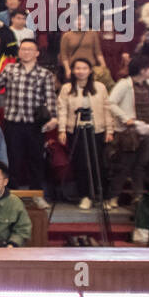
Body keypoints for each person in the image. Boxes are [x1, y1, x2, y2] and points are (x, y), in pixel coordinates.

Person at [0, 39, 57, 209]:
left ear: (37, 53)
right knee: (13, 160)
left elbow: (50, 99)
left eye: (29, 49)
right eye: (23, 49)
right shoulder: (10, 69)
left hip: (35, 124)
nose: (26, 52)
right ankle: (11, 195)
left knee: (36, 161)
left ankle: (37, 194)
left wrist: (54, 118)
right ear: (19, 52)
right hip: (13, 123)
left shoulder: (44, 74)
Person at [57, 58, 115, 209]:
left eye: (84, 68)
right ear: (73, 70)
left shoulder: (100, 87)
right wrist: (62, 130)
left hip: (96, 130)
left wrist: (110, 130)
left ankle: (102, 196)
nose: (81, 71)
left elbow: (107, 109)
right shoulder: (67, 88)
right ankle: (85, 196)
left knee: (99, 164)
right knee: (80, 164)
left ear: (90, 71)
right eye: (77, 68)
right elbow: (62, 110)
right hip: (75, 130)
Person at [107, 57, 149, 207]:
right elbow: (110, 103)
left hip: (147, 130)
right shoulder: (124, 85)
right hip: (129, 131)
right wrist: (125, 118)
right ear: (142, 70)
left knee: (141, 165)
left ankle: (138, 197)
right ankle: (113, 197)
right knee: (124, 165)